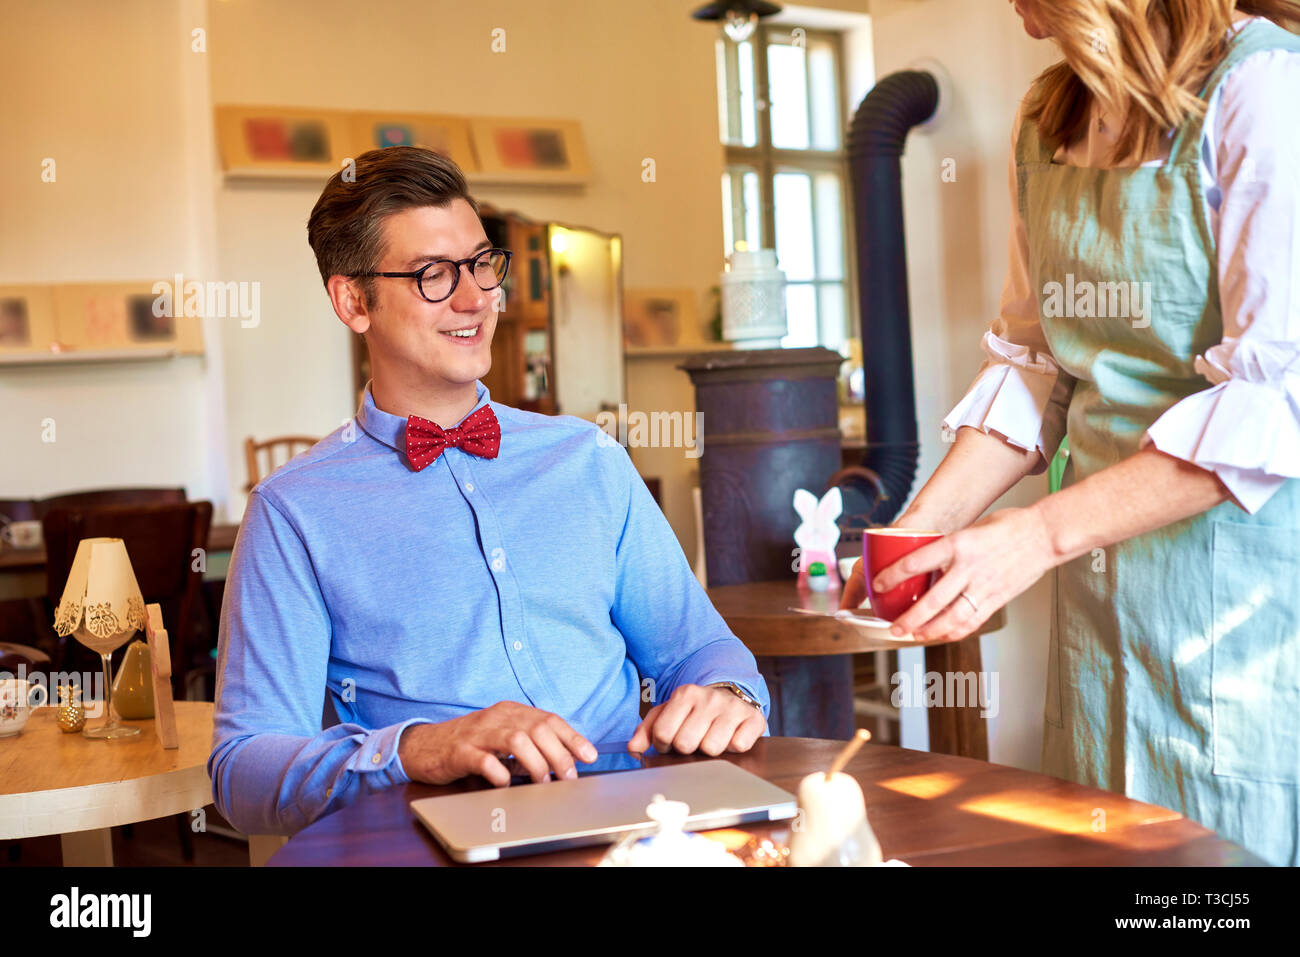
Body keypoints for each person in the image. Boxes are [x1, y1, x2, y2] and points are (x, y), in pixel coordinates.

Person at [842, 0, 1300, 865]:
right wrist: (912, 534)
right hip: (1099, 604)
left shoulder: (1265, 91)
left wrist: (1035, 535)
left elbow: (1275, 404)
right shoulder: (1045, 121)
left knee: (1217, 882)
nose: (1018, 14)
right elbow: (1035, 366)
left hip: (1243, 602)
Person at [209, 146, 769, 836]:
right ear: (353, 300)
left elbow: (697, 649)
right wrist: (416, 748)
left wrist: (725, 693)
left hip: (646, 829)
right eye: (433, 276)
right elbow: (242, 770)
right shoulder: (293, 511)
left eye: (480, 264)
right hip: (438, 843)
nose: (477, 298)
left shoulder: (589, 458)